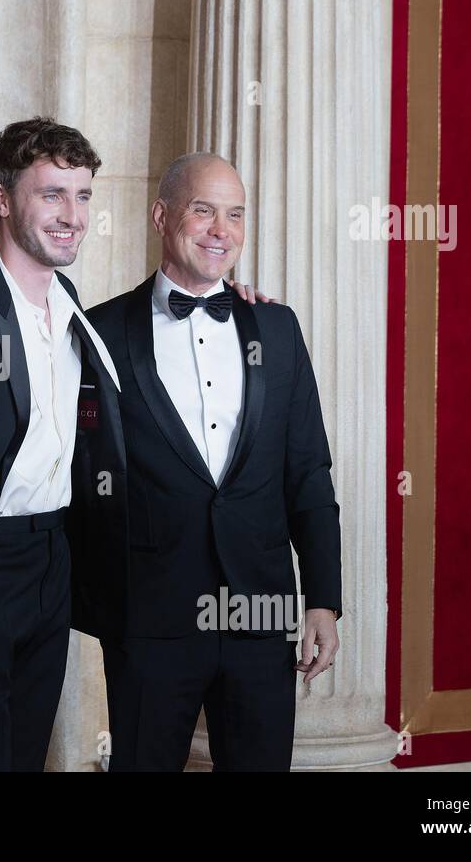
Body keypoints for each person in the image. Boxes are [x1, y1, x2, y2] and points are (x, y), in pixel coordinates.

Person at [69, 151, 342, 772]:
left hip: (261, 612)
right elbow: (78, 475)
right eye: (204, 211)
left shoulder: (276, 328)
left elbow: (308, 471)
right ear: (162, 216)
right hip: (150, 618)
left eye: (236, 214)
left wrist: (323, 597)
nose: (222, 230)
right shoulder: (99, 333)